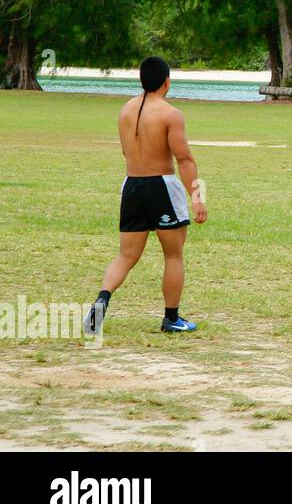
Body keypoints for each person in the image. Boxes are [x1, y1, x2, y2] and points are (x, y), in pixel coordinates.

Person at [84, 57, 208, 336]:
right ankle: (171, 319)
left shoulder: (125, 110)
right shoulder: (170, 114)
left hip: (132, 186)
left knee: (126, 255)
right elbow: (185, 159)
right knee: (173, 255)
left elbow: (126, 152)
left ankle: (102, 299)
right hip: (161, 186)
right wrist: (197, 197)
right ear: (167, 82)